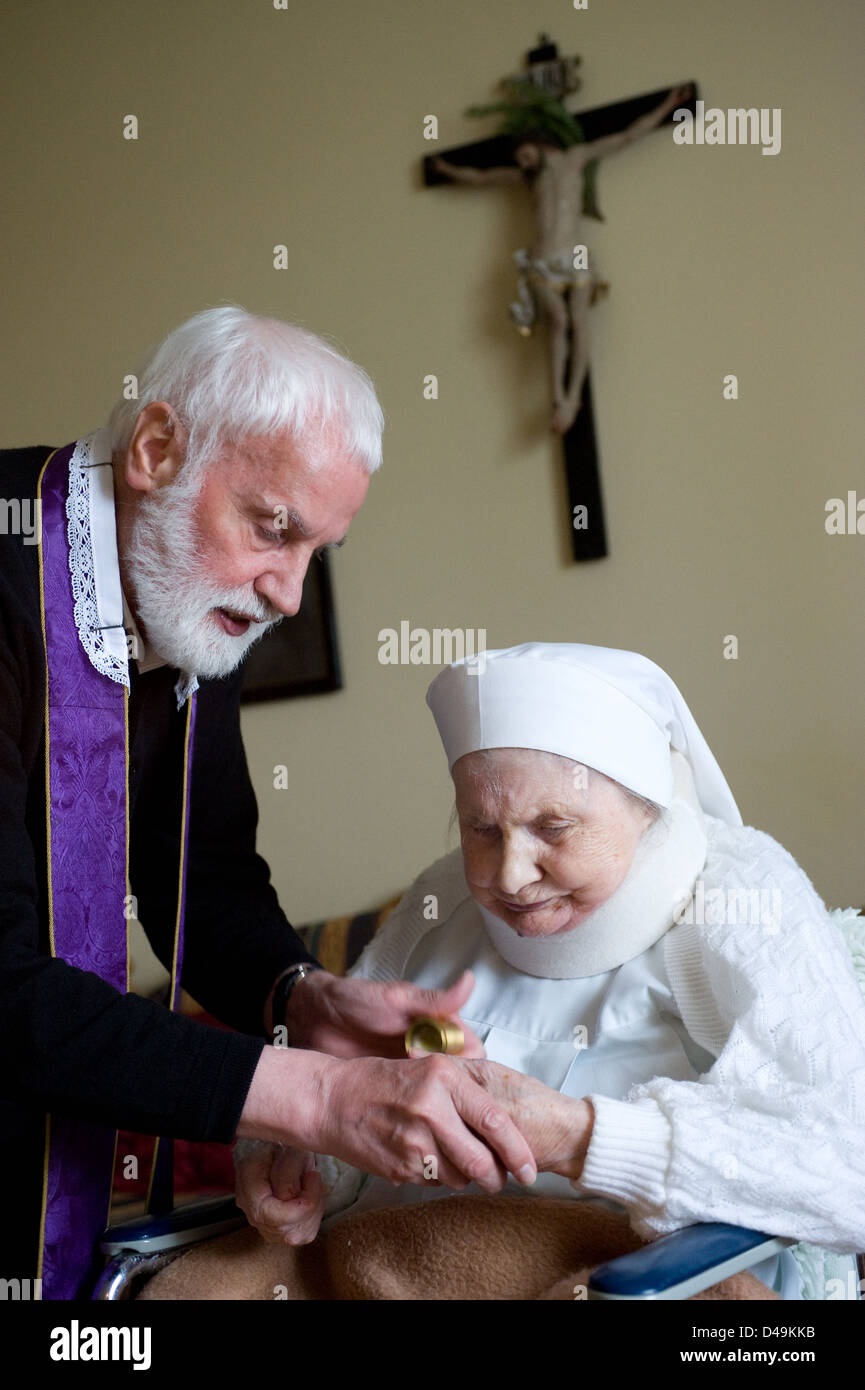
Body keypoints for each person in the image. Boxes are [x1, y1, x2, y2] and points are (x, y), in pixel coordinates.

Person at [0, 307, 536, 1299]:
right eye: (273, 527)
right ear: (156, 448)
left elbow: (202, 878)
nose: (288, 593)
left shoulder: (185, 593)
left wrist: (301, 996)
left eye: (316, 549)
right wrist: (316, 1096)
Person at [234, 643, 865, 1301]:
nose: (509, 876)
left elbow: (846, 1166)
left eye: (554, 827)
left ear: (644, 803)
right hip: (398, 1260)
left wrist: (581, 1137)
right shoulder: (441, 901)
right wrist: (293, 1168)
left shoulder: (735, 892)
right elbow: (334, 1088)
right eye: (481, 829)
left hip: (631, 1276)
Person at [433, 84, 693, 434]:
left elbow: (629, 135)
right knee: (557, 320)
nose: (520, 161)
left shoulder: (576, 159)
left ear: (539, 143)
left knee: (579, 321)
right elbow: (481, 176)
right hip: (543, 260)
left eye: (523, 153)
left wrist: (667, 107)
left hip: (576, 255)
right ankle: (558, 395)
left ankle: (572, 395)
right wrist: (446, 170)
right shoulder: (527, 179)